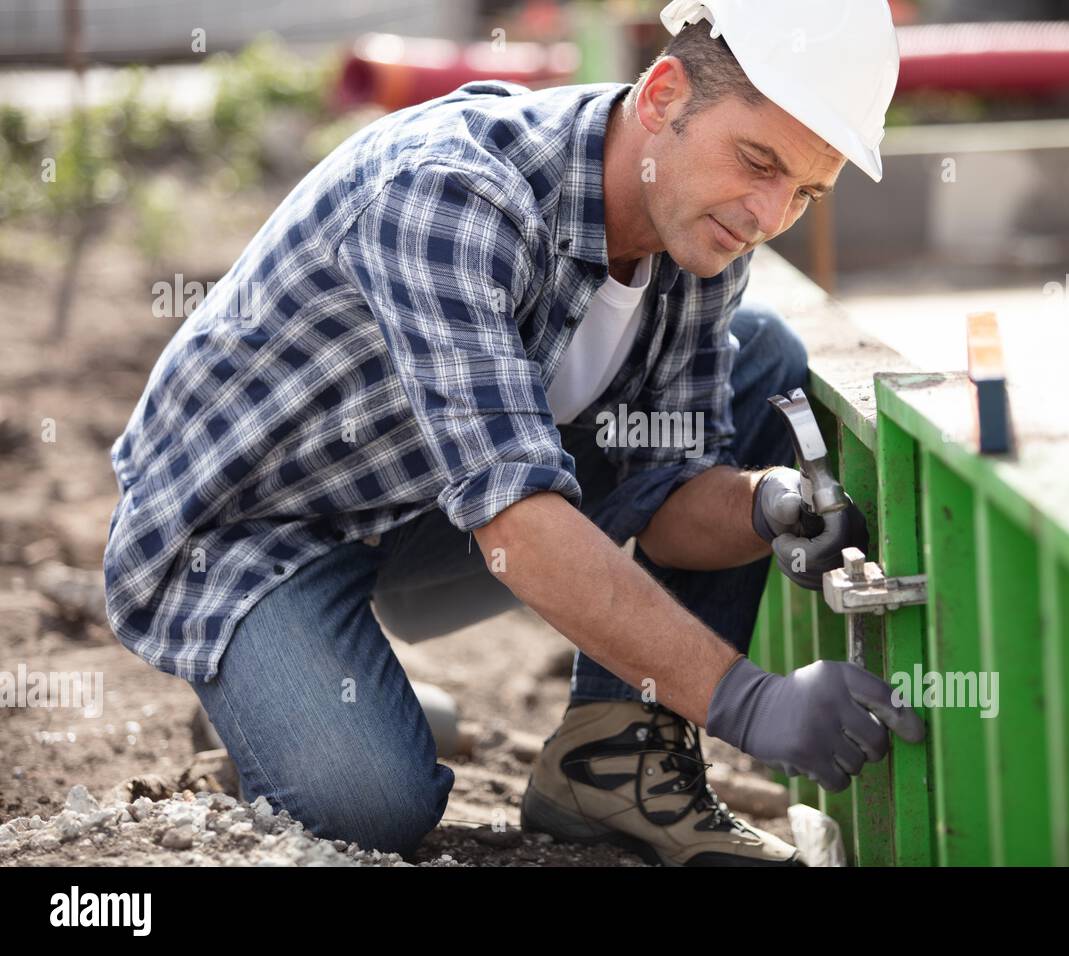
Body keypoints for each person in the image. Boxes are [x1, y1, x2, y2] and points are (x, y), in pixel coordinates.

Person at [103, 0, 923, 866]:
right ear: (664, 96)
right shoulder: (451, 194)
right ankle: (278, 678)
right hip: (251, 531)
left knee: (762, 357)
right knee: (372, 807)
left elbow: (665, 490)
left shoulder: (702, 225)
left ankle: (612, 759)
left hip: (422, 505)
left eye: (804, 191)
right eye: (757, 161)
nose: (768, 212)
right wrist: (749, 704)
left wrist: (766, 504)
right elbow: (521, 533)